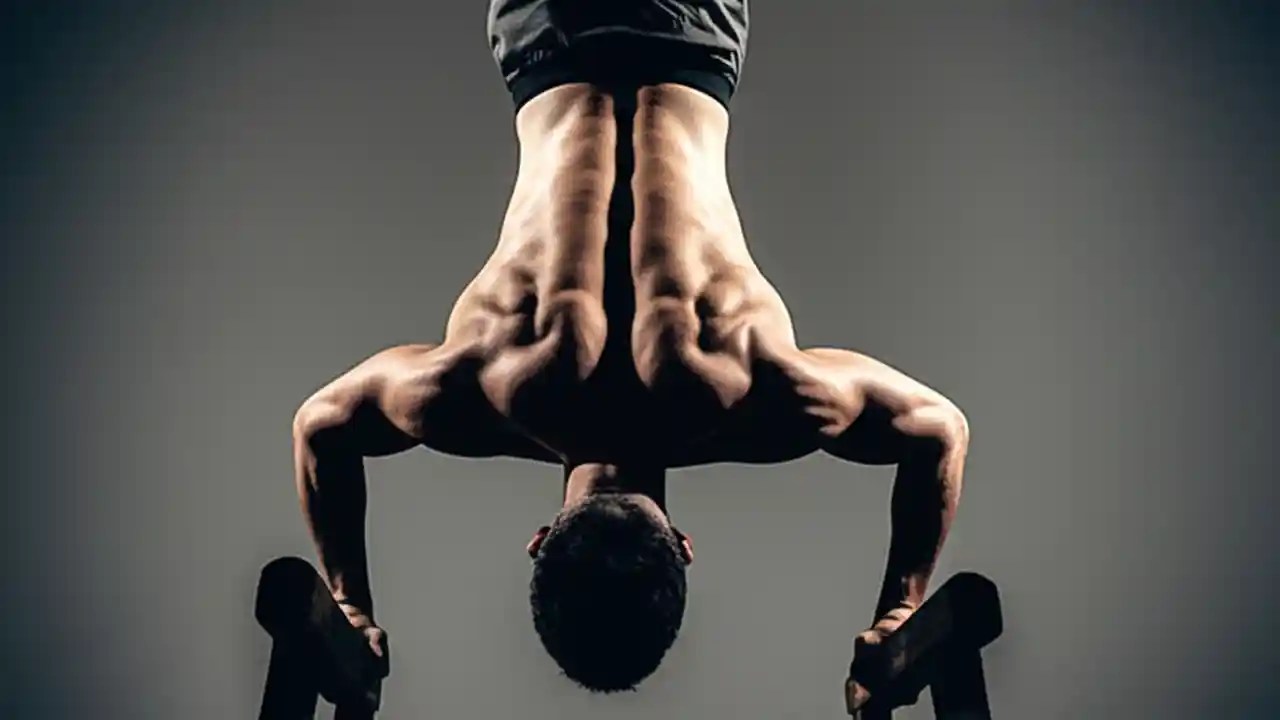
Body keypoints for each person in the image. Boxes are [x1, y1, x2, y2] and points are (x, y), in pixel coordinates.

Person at [290, 0, 969, 711]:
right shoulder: (486, 385)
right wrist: (349, 600)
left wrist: (900, 604)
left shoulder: (751, 391)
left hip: (688, 36)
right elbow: (322, 425)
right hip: (549, 35)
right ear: (539, 539)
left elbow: (936, 430)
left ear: (682, 544)